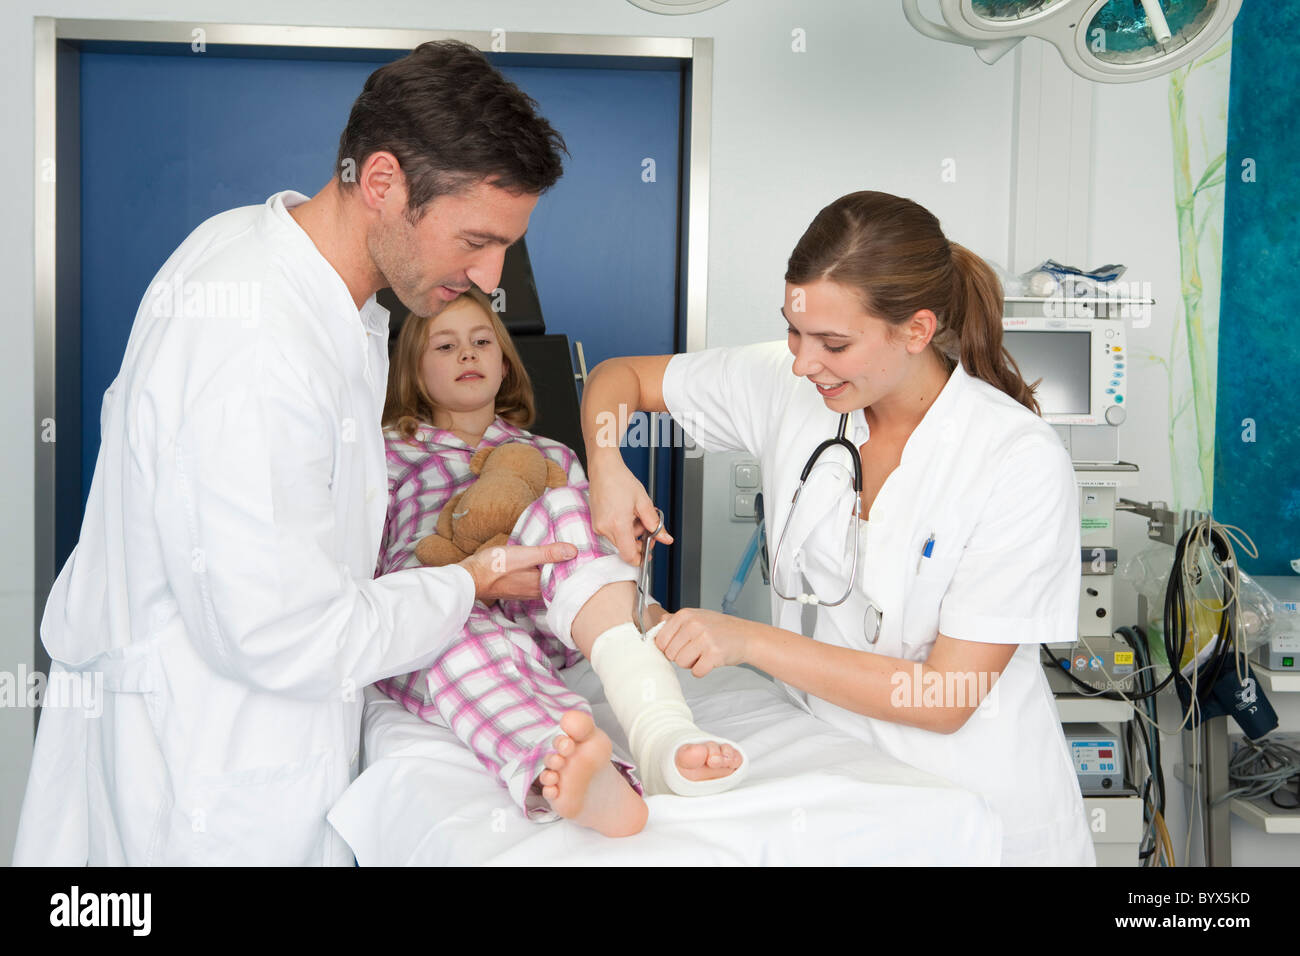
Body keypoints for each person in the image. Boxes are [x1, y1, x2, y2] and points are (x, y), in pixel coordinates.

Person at [14, 41, 578, 866]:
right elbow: (283, 632)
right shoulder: (252, 342)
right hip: (211, 786)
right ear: (382, 182)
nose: (492, 277)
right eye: (477, 240)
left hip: (233, 745)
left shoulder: (280, 268)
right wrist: (467, 581)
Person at [581, 191, 1097, 866]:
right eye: (794, 331)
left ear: (915, 330)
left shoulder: (1016, 459)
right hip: (843, 796)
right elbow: (620, 378)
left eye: (833, 343)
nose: (801, 362)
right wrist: (606, 459)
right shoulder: (787, 382)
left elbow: (946, 696)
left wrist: (748, 642)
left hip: (978, 814)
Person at [373, 290, 746, 837]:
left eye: (482, 343)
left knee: (568, 503)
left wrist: (653, 614)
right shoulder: (388, 455)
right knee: (453, 634)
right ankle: (569, 761)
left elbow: (593, 560)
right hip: (443, 607)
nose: (468, 355)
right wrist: (469, 582)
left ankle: (662, 732)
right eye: (446, 346)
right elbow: (364, 569)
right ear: (411, 369)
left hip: (549, 613)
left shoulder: (553, 455)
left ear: (504, 364)